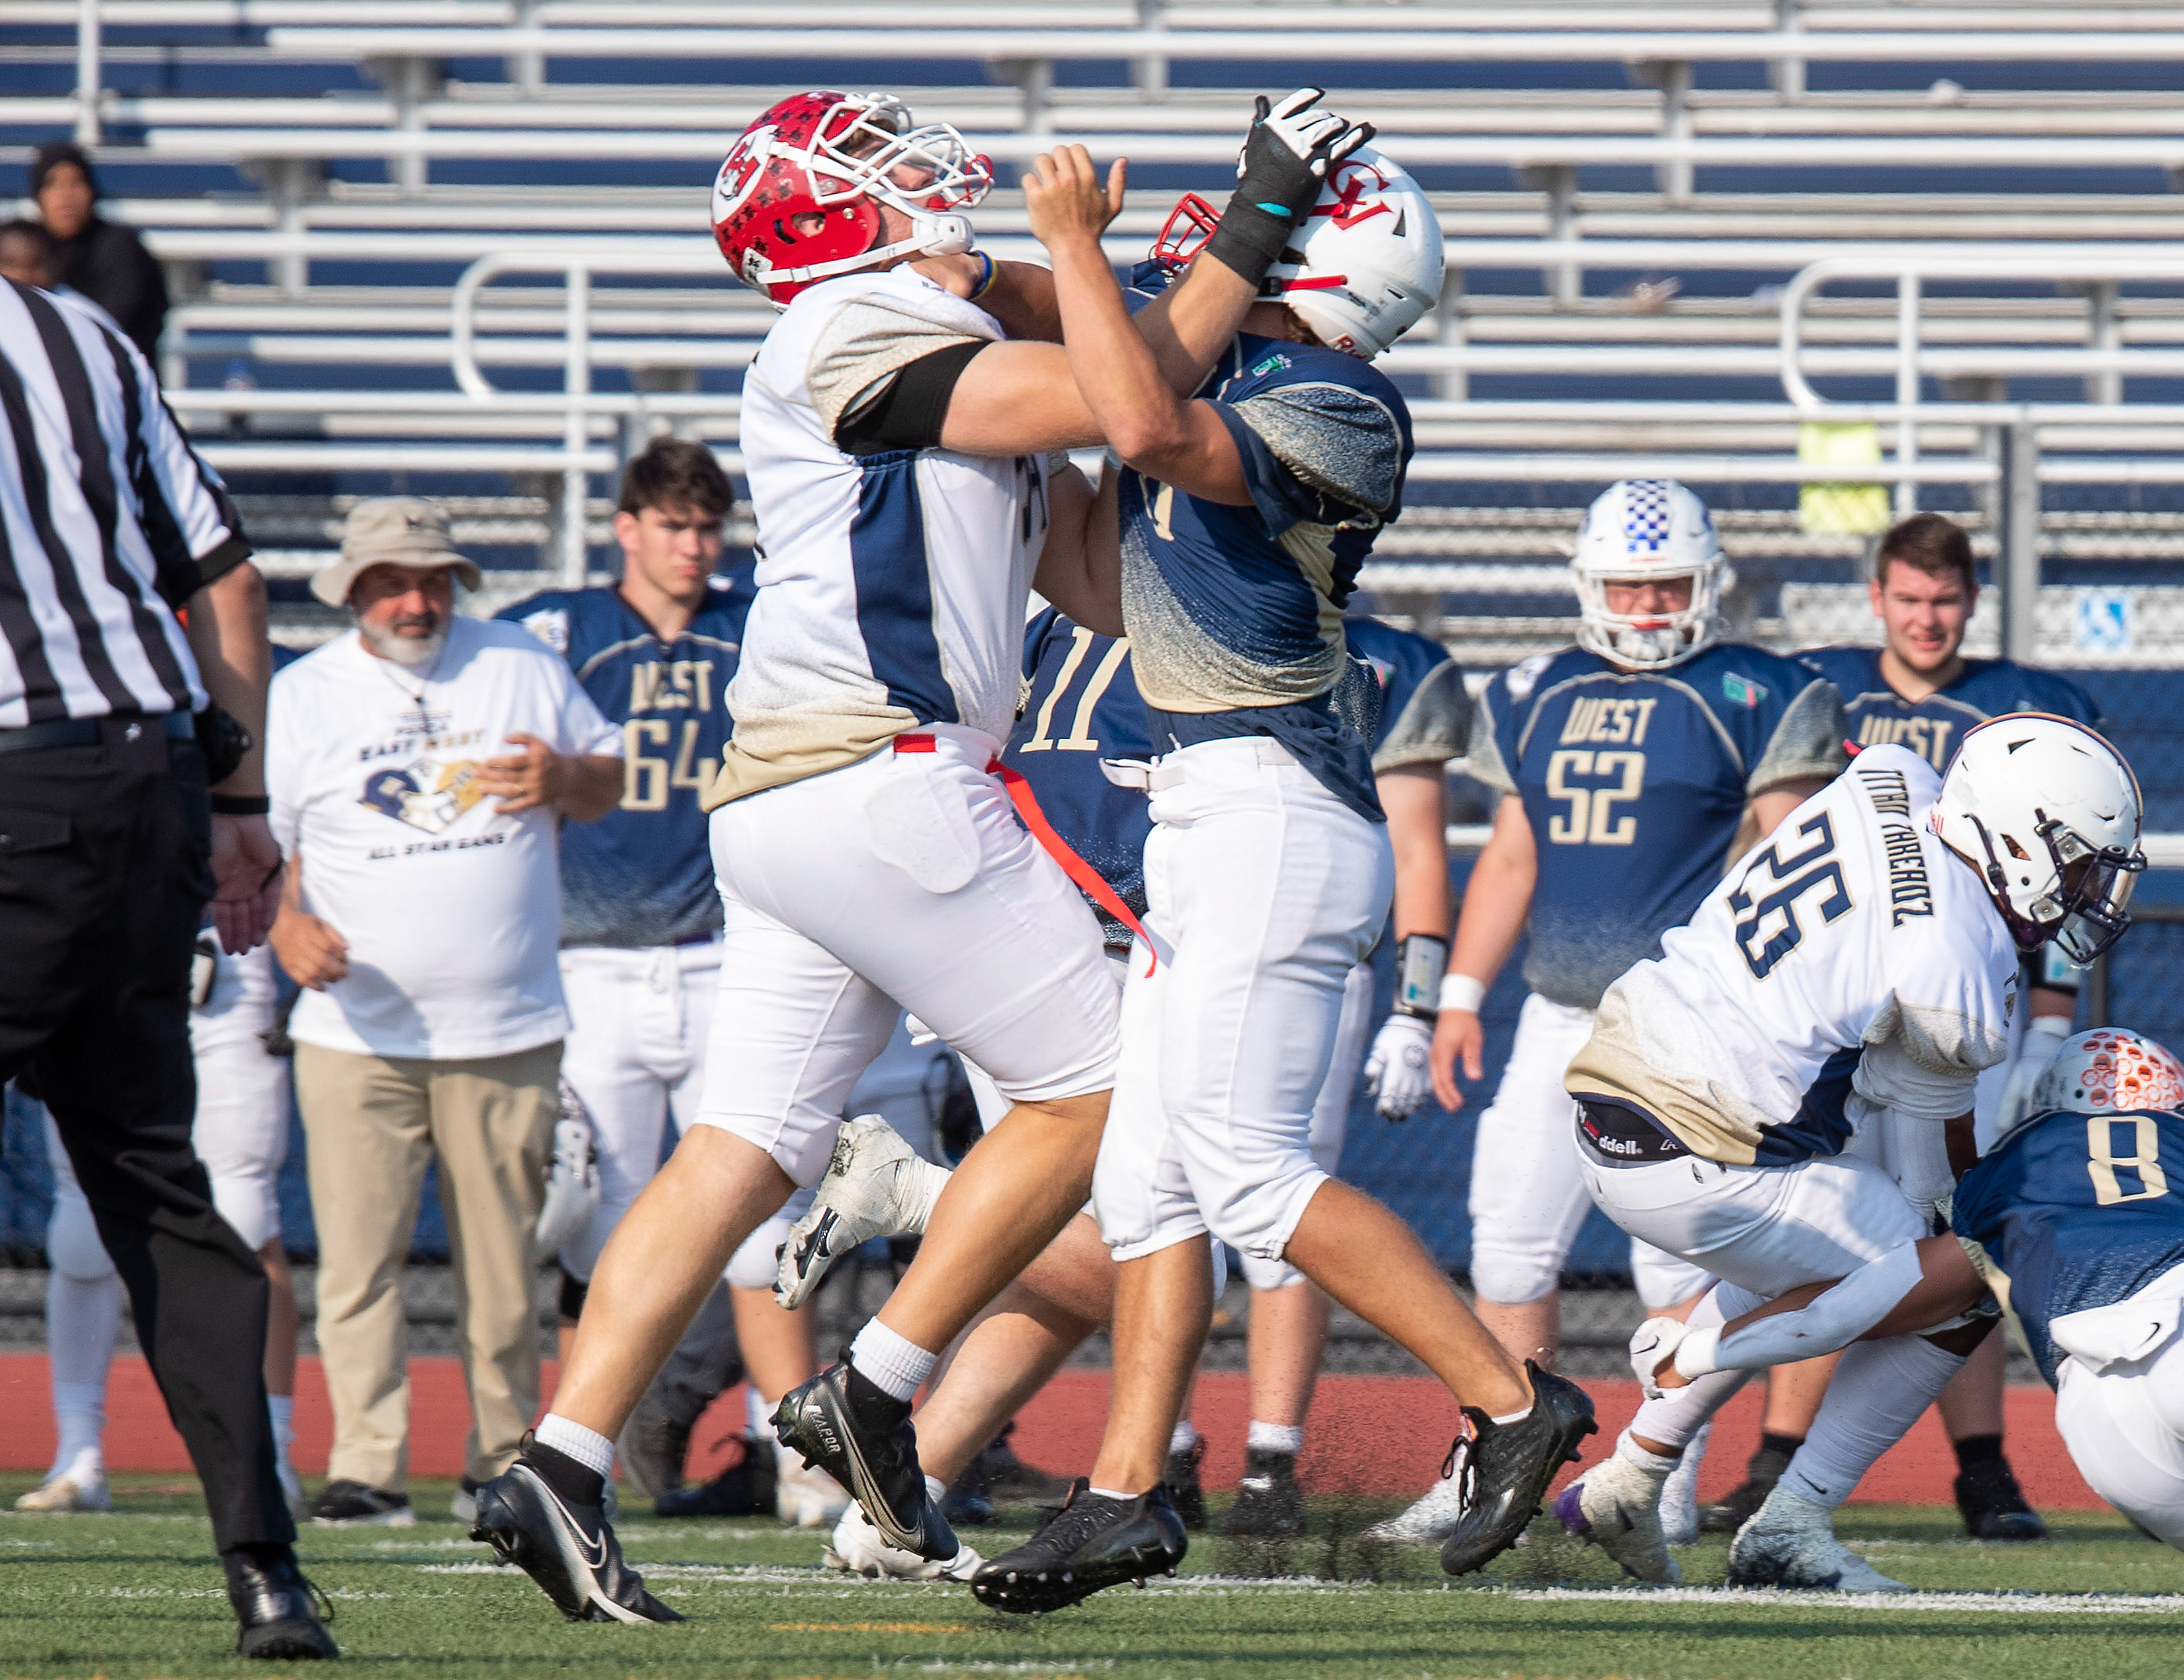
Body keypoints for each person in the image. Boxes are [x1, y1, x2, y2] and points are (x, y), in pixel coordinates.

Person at [471, 87, 1368, 1626]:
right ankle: (878, 1387)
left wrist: (1225, 520)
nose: (919, 174)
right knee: (1106, 1091)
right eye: (877, 166)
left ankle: (555, 1464)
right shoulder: (848, 325)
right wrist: (1246, 224)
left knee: (743, 1142)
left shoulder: (917, 332)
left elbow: (1091, 577)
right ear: (823, 219)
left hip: (804, 795)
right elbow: (1120, 387)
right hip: (881, 776)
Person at [967, 141, 1592, 1616]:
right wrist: (951, 297)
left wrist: (1059, 254)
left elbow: (1136, 406)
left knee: (1248, 1171)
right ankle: (1125, 1495)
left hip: (1276, 814)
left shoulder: (1339, 402)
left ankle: (1514, 1403)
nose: (1208, 265)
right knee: (1145, 1182)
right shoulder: (1230, 376)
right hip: (1196, 815)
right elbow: (1092, 572)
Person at [1549, 714, 2141, 1589]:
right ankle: (1789, 1523)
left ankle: (1632, 1478)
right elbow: (1939, 1182)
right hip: (1696, 1151)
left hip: (1620, 1089)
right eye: (2081, 861)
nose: (2089, 888)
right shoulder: (1950, 954)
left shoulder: (1897, 775)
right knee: (1959, 1279)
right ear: (2020, 834)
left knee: (1834, 1246)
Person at [1365, 479, 1850, 1547]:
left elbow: (1791, 867)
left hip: (1681, 1027)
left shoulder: (1761, 690)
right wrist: (1453, 998)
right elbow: (1510, 854)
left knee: (1673, 1265)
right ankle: (1490, 1466)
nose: (1642, 608)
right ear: (1587, 585)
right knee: (1506, 1245)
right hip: (1552, 1012)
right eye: (1626, 587)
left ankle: (1657, 1479)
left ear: (1707, 583)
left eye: (1663, 586)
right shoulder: (1535, 687)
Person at [0, 263, 328, 1656]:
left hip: (18, 781)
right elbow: (230, 576)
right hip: (151, 781)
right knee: (156, 1184)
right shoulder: (76, 328)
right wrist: (244, 810)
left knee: (150, 1179)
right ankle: (268, 1570)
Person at [1730, 510, 2105, 1543]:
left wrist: (2047, 1020)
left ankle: (1981, 1469)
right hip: (1843, 1011)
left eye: (1943, 600)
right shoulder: (1818, 691)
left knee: (1955, 1237)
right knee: (1828, 1229)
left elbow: (2072, 871)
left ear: (1972, 600)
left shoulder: (2023, 705)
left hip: (1967, 1006)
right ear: (1875, 599)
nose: (1926, 619)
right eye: (1908, 599)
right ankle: (1773, 1458)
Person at [497, 436, 844, 1527]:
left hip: (726, 948)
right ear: (627, 528)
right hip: (591, 959)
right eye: (676, 527)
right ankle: (574, 1447)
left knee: (757, 1211)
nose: (695, 549)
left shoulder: (757, 621)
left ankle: (793, 1451)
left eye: (708, 528)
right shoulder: (555, 632)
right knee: (593, 1222)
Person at [268, 497, 621, 1527]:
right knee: (356, 1265)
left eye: (432, 580)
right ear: (351, 592)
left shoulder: (517, 659)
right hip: (354, 1032)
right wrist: (288, 928)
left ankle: (501, 1463)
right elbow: (263, 840)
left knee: (505, 1269)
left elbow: (606, 779)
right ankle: (367, 1467)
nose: (414, 601)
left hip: (506, 1024)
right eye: (391, 581)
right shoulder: (306, 692)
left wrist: (561, 775)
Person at [1622, 1026, 2184, 1552]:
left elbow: (1838, 1316)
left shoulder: (2005, 1171)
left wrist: (1692, 1352)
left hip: (2097, 1413)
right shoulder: (2173, 1138)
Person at [17, 921, 307, 1519]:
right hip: (94, 976)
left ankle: (271, 1456)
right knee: (80, 1231)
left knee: (246, 1218)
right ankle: (77, 1455)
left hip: (220, 975)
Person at [30, 144, 168, 362]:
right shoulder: (27, 252)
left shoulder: (120, 250)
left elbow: (115, 326)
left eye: (76, 183)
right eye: (52, 184)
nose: (66, 196)